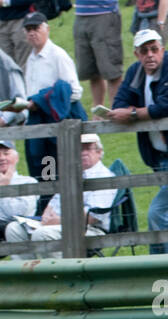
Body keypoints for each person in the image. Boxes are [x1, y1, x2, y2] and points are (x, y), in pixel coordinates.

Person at [109, 28, 168, 254]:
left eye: (154, 49)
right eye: (144, 51)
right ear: (137, 55)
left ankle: (160, 270)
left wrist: (133, 114)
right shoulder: (135, 72)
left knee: (159, 213)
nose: (150, 55)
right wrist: (135, 111)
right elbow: (119, 104)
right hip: (160, 156)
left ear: (162, 50)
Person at [5, 132, 113, 258]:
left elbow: (93, 217)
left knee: (42, 234)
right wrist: (47, 216)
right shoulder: (71, 175)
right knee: (13, 229)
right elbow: (53, 204)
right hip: (57, 225)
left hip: (89, 229)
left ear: (99, 152)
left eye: (88, 148)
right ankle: (28, 276)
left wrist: (59, 221)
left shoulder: (105, 177)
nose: (83, 153)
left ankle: (59, 275)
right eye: (79, 149)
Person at [17, 12, 84, 213]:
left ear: (47, 29)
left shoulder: (58, 55)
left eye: (36, 28)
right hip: (38, 125)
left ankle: (59, 213)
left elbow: (74, 91)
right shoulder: (31, 58)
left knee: (58, 172)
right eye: (28, 30)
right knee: (45, 171)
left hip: (56, 125)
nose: (32, 33)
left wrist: (45, 100)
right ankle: (47, 211)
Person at [73, 0, 123, 109]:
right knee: (92, 72)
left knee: (111, 70)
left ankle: (117, 111)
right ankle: (98, 113)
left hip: (105, 13)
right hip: (81, 14)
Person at [0, 138, 37, 231]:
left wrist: (4, 187)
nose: (2, 158)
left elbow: (17, 214)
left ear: (16, 158)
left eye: (6, 153)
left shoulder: (28, 182)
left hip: (15, 232)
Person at [0, 0, 32, 71]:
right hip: (2, 22)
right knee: (6, 63)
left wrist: (5, 2)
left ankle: (25, 81)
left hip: (20, 20)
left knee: (24, 62)